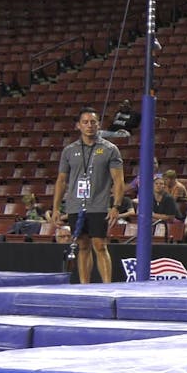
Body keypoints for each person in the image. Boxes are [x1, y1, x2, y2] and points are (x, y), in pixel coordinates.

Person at [51, 107, 125, 285]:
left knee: (100, 245)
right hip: (75, 205)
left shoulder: (110, 149)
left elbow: (119, 181)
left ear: (99, 125)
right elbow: (61, 181)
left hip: (98, 204)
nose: (89, 125)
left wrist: (116, 206)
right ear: (78, 126)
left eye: (93, 122)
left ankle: (107, 285)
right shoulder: (69, 151)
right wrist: (55, 208)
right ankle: (85, 286)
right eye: (85, 122)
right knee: (82, 246)